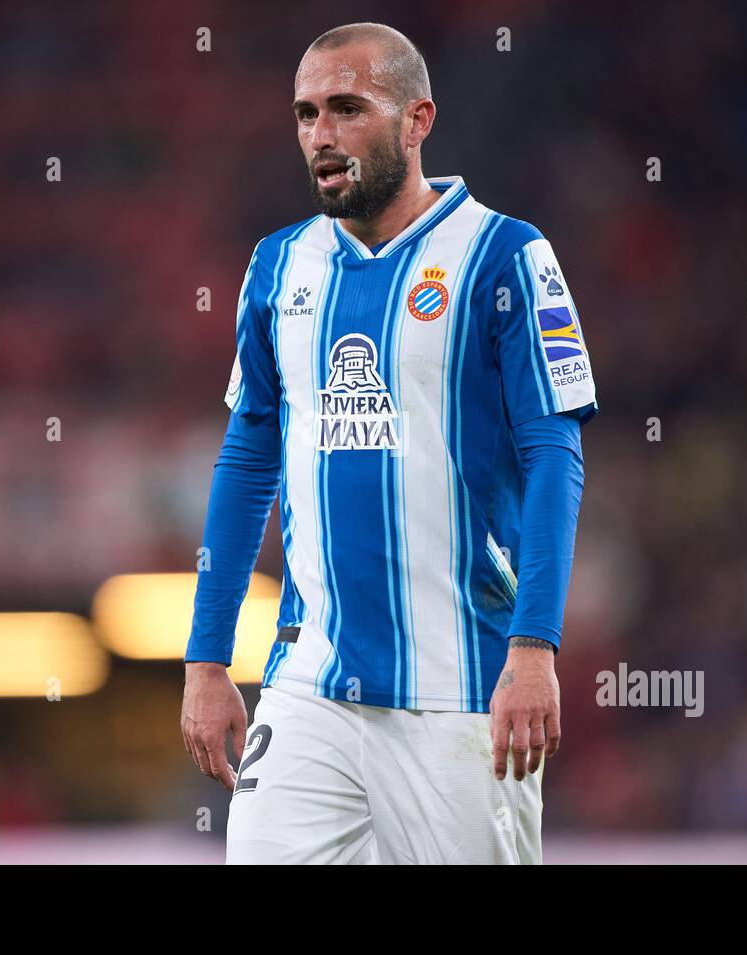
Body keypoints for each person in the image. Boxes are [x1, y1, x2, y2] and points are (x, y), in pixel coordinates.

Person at [180, 22, 597, 864]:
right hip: (310, 686)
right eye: (305, 114)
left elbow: (555, 454)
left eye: (346, 108)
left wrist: (534, 644)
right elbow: (248, 458)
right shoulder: (277, 267)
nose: (321, 136)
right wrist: (206, 656)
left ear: (417, 120)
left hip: (461, 685)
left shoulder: (506, 257)